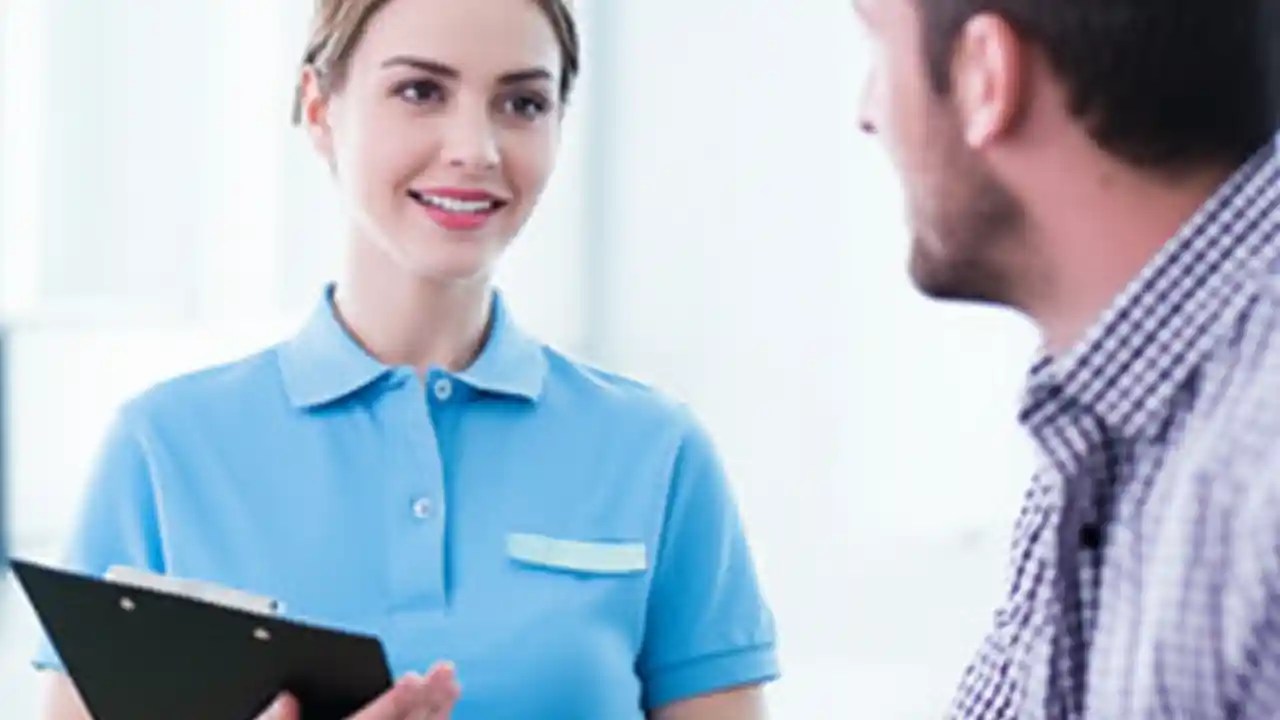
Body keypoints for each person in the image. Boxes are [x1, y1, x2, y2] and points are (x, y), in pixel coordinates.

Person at [34, 0, 780, 718]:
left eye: (522, 103)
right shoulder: (165, 450)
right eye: (420, 91)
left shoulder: (655, 453)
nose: (475, 150)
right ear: (321, 109)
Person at [853, 0, 1279, 716]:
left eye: (877, 45)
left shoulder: (1257, 466)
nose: (867, 111)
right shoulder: (1104, 423)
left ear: (987, 76)